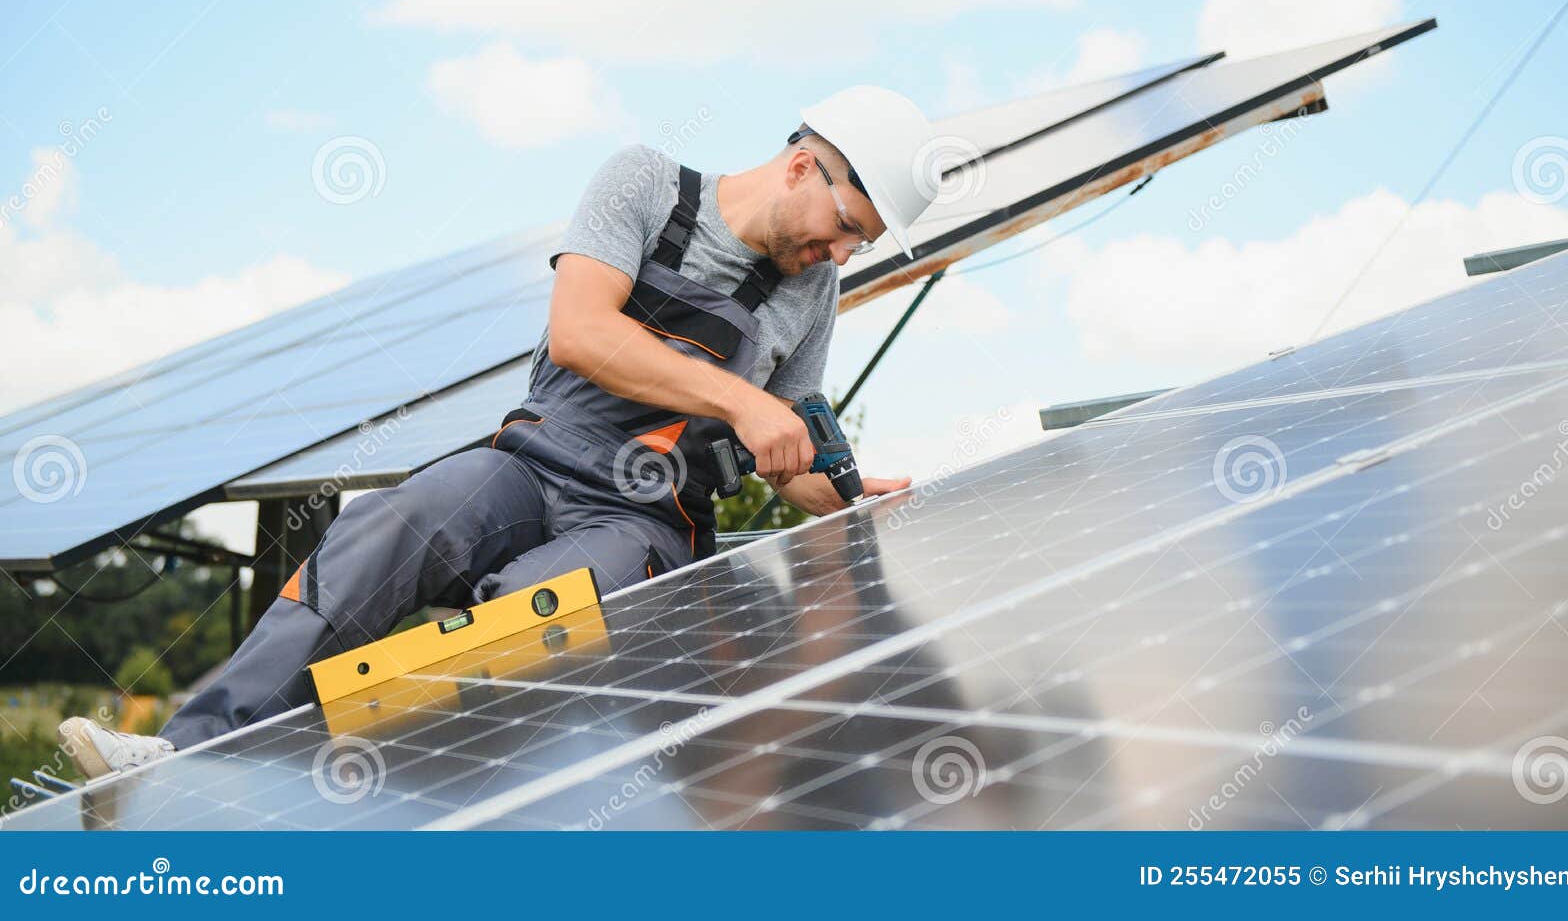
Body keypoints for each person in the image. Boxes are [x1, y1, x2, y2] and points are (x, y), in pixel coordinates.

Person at [58, 85, 940, 780]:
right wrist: (744, 401)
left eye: (856, 247)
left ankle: (327, 784)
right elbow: (583, 332)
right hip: (528, 463)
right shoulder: (642, 183)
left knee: (531, 614)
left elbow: (790, 452)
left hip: (643, 521)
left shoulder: (808, 295)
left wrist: (850, 497)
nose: (841, 256)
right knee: (384, 528)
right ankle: (184, 755)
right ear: (802, 167)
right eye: (847, 230)